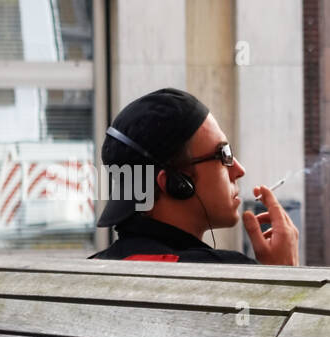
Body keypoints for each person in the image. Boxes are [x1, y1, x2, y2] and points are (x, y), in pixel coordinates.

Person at [88, 88, 299, 265]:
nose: (239, 170)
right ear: (176, 183)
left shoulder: (95, 266)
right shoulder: (226, 274)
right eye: (223, 154)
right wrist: (283, 276)